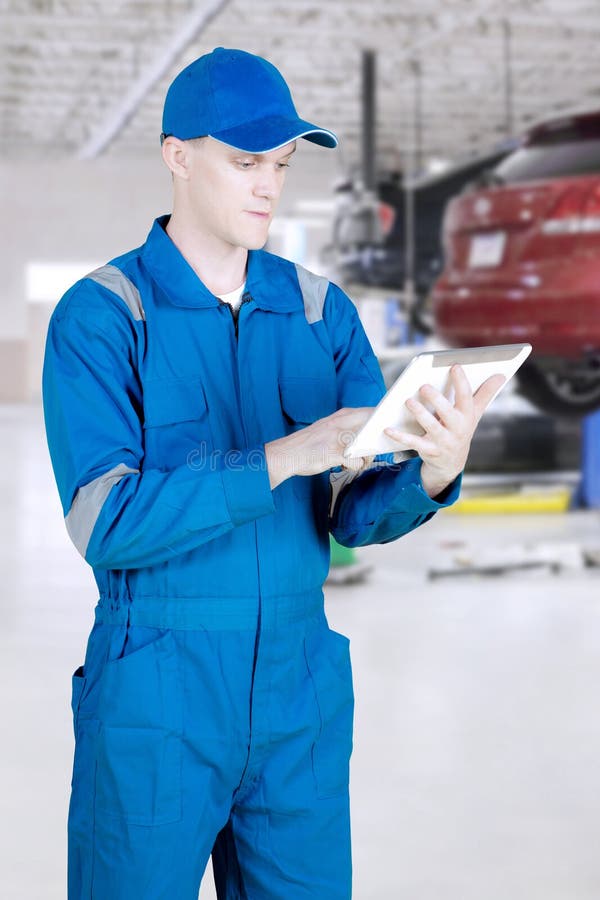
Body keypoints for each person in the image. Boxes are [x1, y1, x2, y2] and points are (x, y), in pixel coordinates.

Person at [42, 47, 503, 900]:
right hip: (158, 687)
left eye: (282, 165)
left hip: (298, 693)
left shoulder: (323, 312)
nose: (268, 186)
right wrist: (289, 453)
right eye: (245, 161)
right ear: (178, 155)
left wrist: (432, 475)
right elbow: (104, 521)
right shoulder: (104, 315)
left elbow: (355, 515)